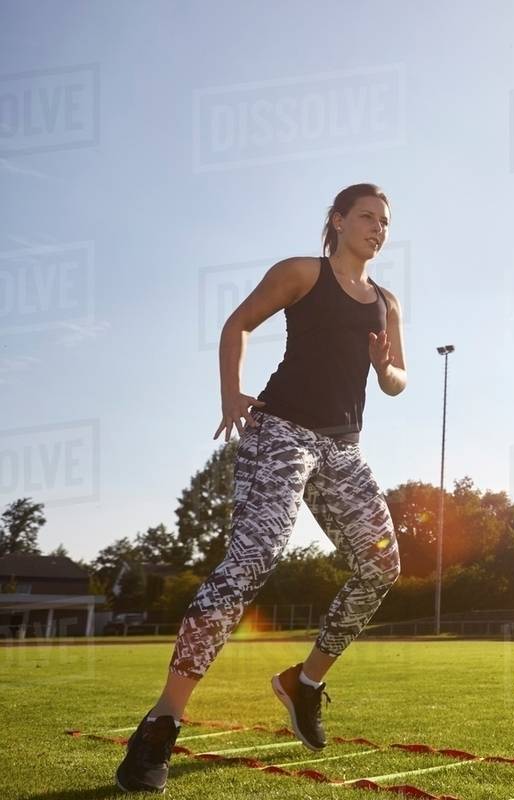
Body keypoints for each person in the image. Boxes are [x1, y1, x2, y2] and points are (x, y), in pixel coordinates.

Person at [116, 183, 406, 793]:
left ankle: (305, 682)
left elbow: (397, 380)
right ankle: (162, 722)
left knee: (382, 565)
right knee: (254, 558)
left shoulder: (386, 302)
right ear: (338, 221)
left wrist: (386, 368)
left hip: (342, 447)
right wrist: (231, 392)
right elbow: (238, 322)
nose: (377, 229)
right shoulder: (302, 272)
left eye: (385, 221)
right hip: (280, 431)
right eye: (366, 218)